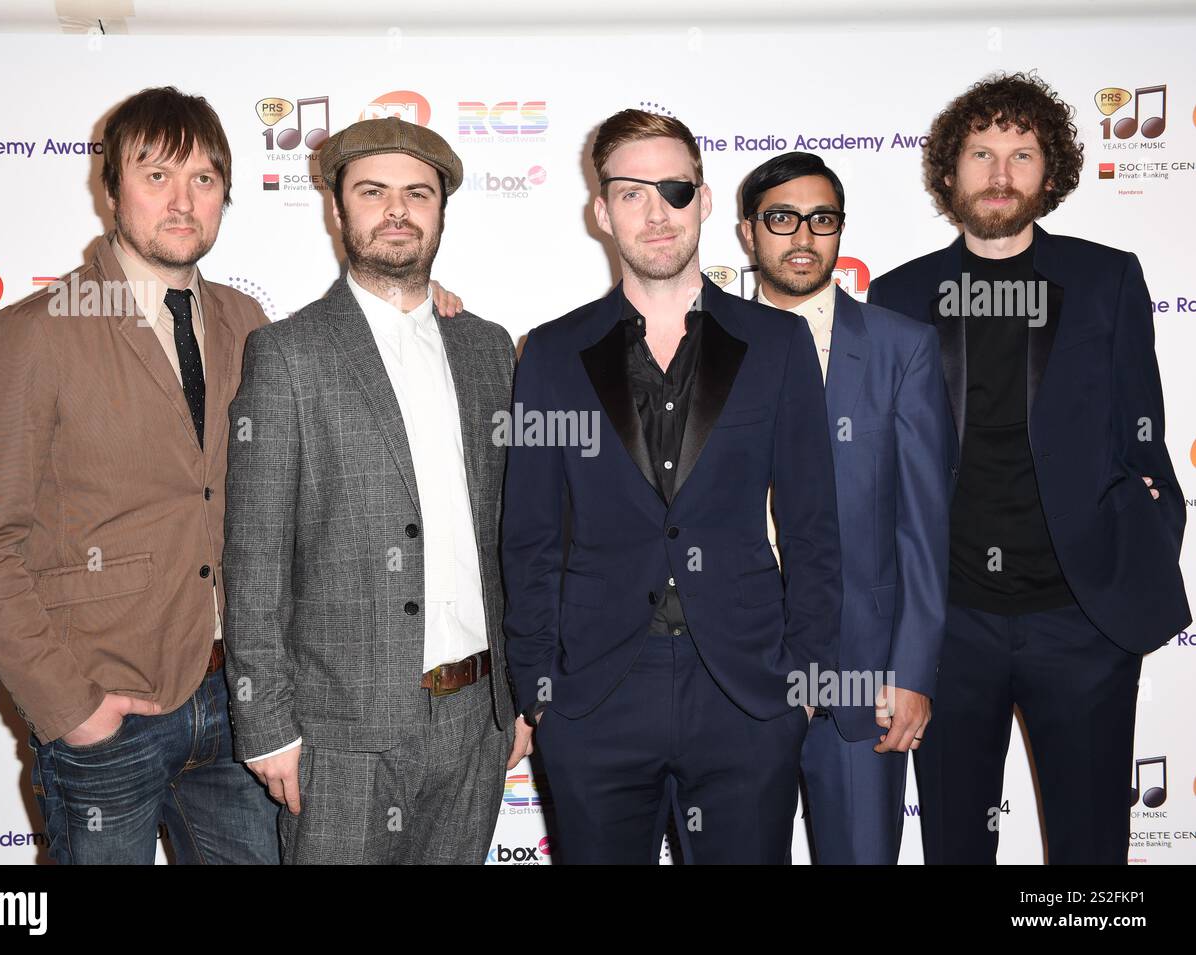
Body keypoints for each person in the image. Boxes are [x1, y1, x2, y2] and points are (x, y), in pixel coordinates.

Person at [0, 86, 279, 864]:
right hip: (108, 713)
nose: (181, 200)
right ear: (110, 191)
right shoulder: (33, 334)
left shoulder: (248, 325)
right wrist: (71, 705)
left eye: (203, 179)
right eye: (155, 174)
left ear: (225, 196)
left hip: (238, 704)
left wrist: (416, 309)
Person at [502, 110, 842, 864]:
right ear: (601, 210)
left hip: (748, 692)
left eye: (675, 189)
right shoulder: (553, 353)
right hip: (595, 693)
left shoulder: (777, 344)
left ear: (706, 200)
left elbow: (814, 521)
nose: (657, 213)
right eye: (631, 193)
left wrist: (805, 676)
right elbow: (528, 535)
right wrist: (538, 684)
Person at [868, 72, 1189, 863]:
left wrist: (1140, 549)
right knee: (954, 845)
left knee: (1089, 861)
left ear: (1052, 172)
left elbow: (1144, 439)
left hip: (1081, 623)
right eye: (982, 152)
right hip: (950, 628)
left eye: (1021, 153)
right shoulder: (902, 295)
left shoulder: (1105, 280)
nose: (1001, 173)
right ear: (951, 171)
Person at [222, 116, 524, 864]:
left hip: (478, 718)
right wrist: (266, 724)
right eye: (373, 191)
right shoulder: (287, 353)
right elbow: (254, 553)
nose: (398, 210)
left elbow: (512, 535)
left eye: (418, 193)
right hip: (341, 733)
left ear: (442, 211)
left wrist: (519, 697)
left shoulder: (488, 348)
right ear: (336, 209)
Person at [739, 151, 950, 864]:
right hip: (730, 680)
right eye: (782, 218)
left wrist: (913, 671)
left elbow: (924, 529)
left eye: (822, 219)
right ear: (747, 232)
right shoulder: (704, 345)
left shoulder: (902, 348)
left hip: (863, 686)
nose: (803, 236)